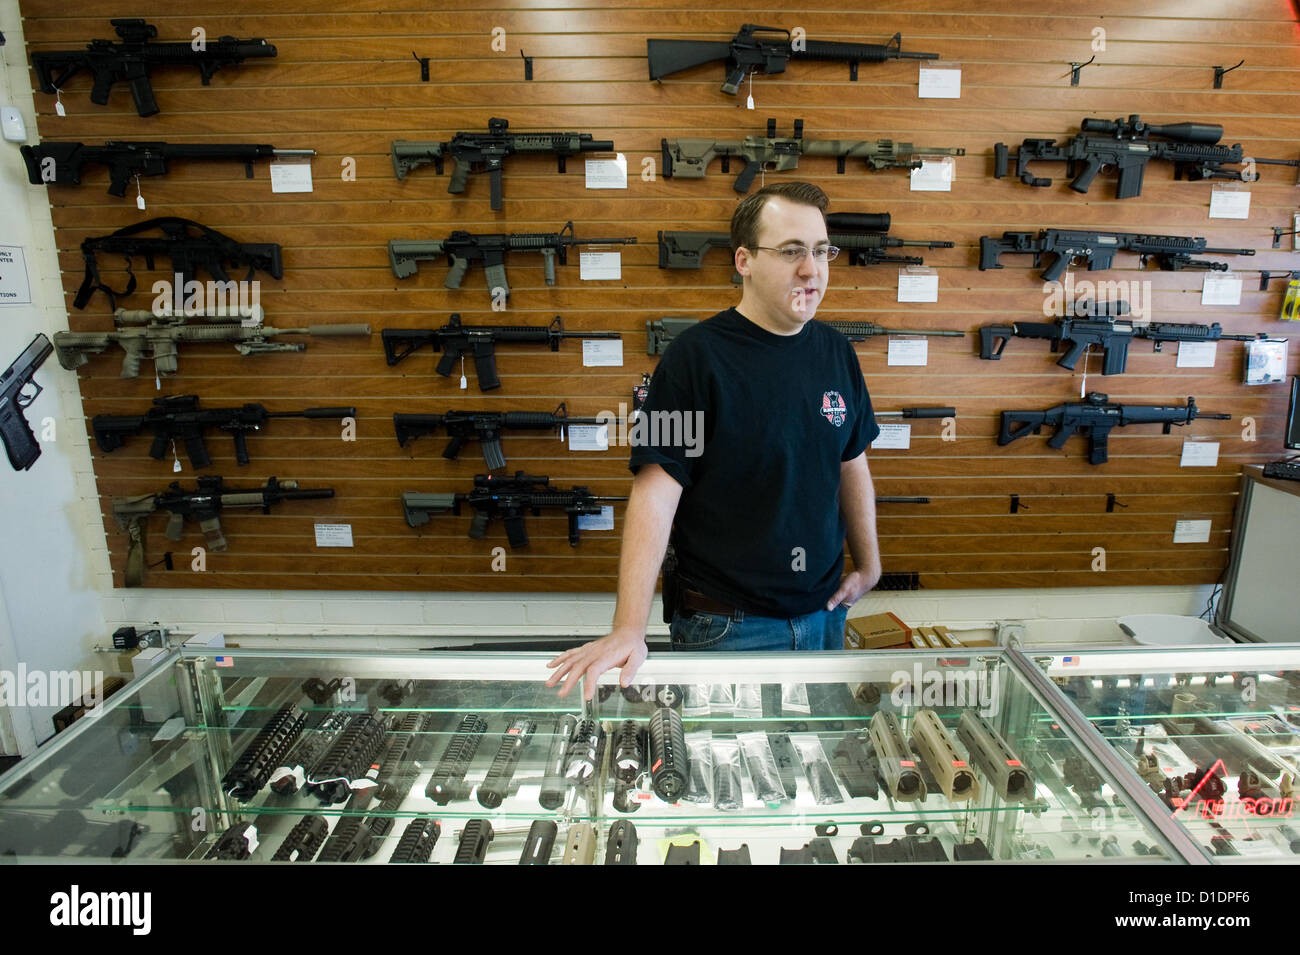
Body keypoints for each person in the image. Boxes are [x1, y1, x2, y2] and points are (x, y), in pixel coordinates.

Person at [546, 181, 881, 700]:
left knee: (812, 770)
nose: (811, 270)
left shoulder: (837, 352)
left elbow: (850, 461)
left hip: (824, 619)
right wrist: (628, 627)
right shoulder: (691, 360)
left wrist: (870, 564)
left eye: (820, 251)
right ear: (743, 260)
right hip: (729, 629)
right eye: (792, 251)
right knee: (722, 776)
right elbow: (655, 491)